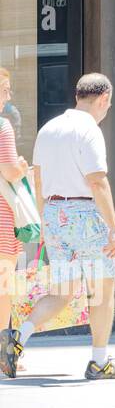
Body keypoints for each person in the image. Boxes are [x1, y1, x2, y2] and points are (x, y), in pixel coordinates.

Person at [0, 73, 115, 380]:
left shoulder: (49, 129)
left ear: (76, 96)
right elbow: (98, 182)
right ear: (104, 99)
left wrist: (46, 221)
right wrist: (114, 228)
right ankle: (99, 362)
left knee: (61, 292)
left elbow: (39, 179)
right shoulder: (89, 131)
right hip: (86, 214)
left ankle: (18, 338)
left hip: (55, 213)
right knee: (102, 290)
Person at [0, 68, 32, 375]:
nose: (8, 98)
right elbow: (9, 171)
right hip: (1, 220)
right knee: (3, 290)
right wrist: (21, 166)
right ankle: (4, 356)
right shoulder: (3, 126)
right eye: (6, 90)